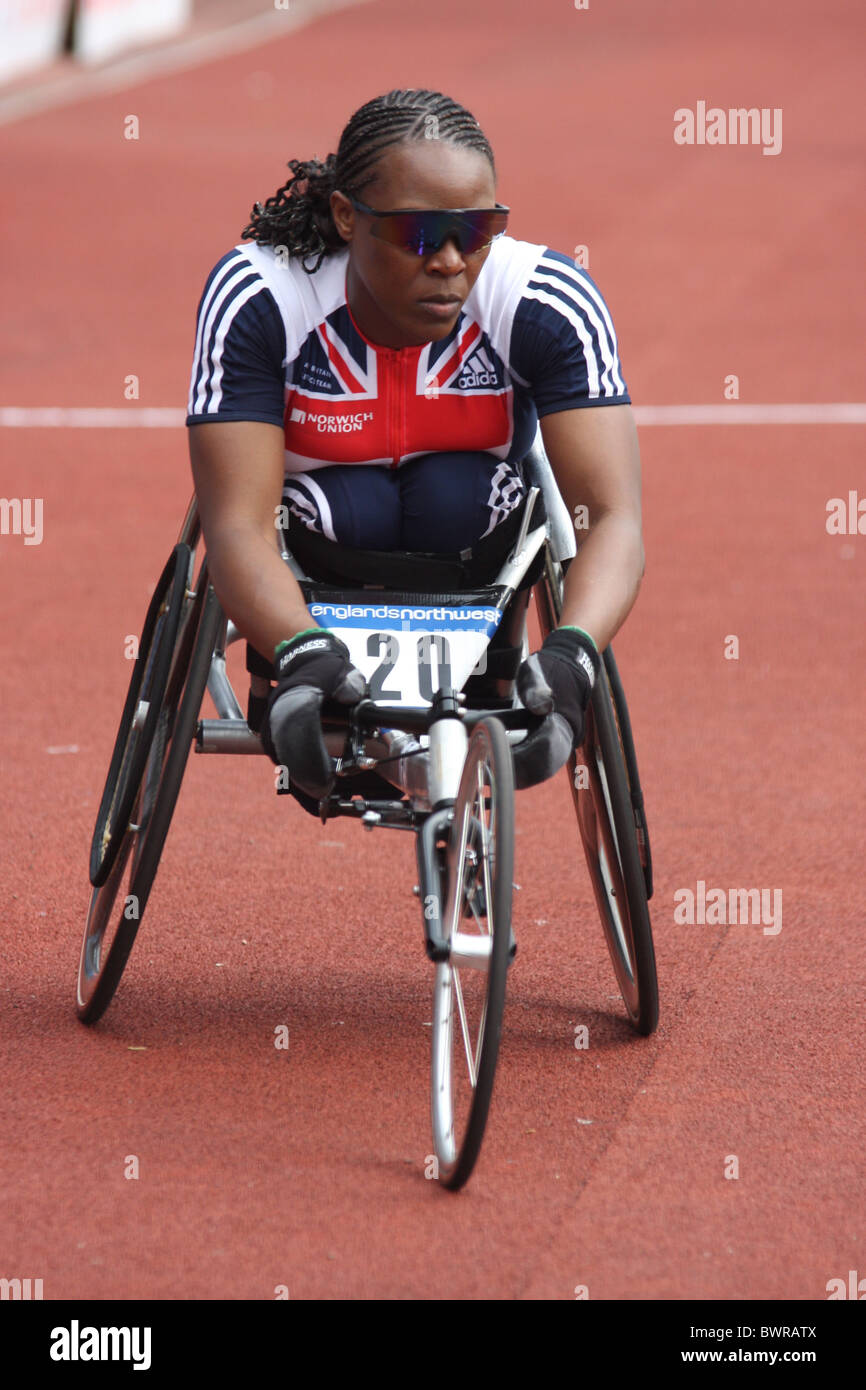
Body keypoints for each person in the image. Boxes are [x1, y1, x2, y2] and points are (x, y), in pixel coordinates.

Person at [186, 88, 644, 808]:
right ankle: (310, 672)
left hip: (468, 538)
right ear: (347, 217)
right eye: (422, 235)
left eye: (480, 228)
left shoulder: (543, 301)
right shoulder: (263, 297)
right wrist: (297, 645)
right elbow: (236, 525)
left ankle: (486, 672)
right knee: (353, 505)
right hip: (319, 540)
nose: (454, 262)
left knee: (456, 494)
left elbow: (611, 517)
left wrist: (573, 652)